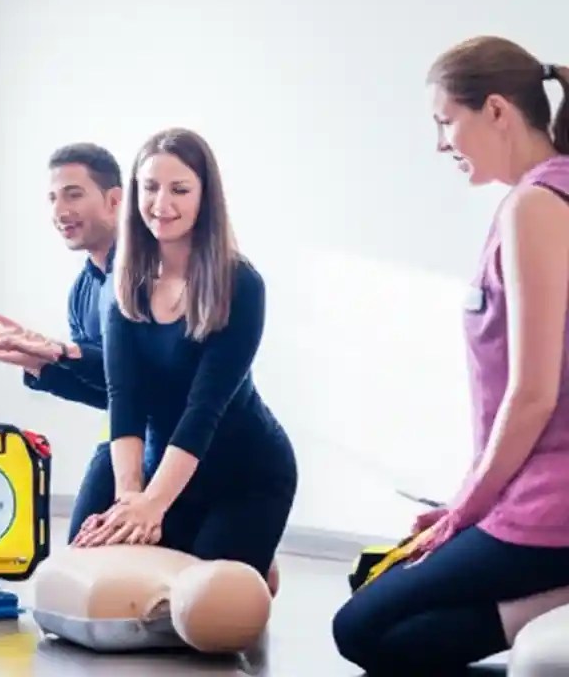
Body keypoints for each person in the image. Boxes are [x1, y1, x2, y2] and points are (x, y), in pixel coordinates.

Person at [332, 36, 569, 675]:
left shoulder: (537, 206)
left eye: (445, 122)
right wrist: (470, 500)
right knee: (390, 615)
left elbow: (533, 394)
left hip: (553, 507)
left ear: (495, 110)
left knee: (361, 626)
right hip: (538, 495)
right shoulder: (551, 195)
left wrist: (466, 512)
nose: (441, 143)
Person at [69, 127, 298, 587]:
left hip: (242, 473)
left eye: (180, 190)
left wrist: (155, 506)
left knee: (195, 604)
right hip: (157, 463)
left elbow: (203, 409)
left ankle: (253, 555)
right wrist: (130, 498)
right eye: (150, 188)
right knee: (91, 575)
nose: (161, 204)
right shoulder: (124, 282)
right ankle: (220, 546)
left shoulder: (241, 284)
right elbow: (124, 399)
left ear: (205, 197)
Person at [0, 142, 122, 541]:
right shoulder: (82, 291)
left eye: (73, 194)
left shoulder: (151, 274)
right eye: (53, 198)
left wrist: (59, 352)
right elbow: (108, 391)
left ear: (114, 200)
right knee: (77, 557)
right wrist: (36, 364)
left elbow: (145, 377)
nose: (59, 211)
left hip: (179, 440)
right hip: (122, 436)